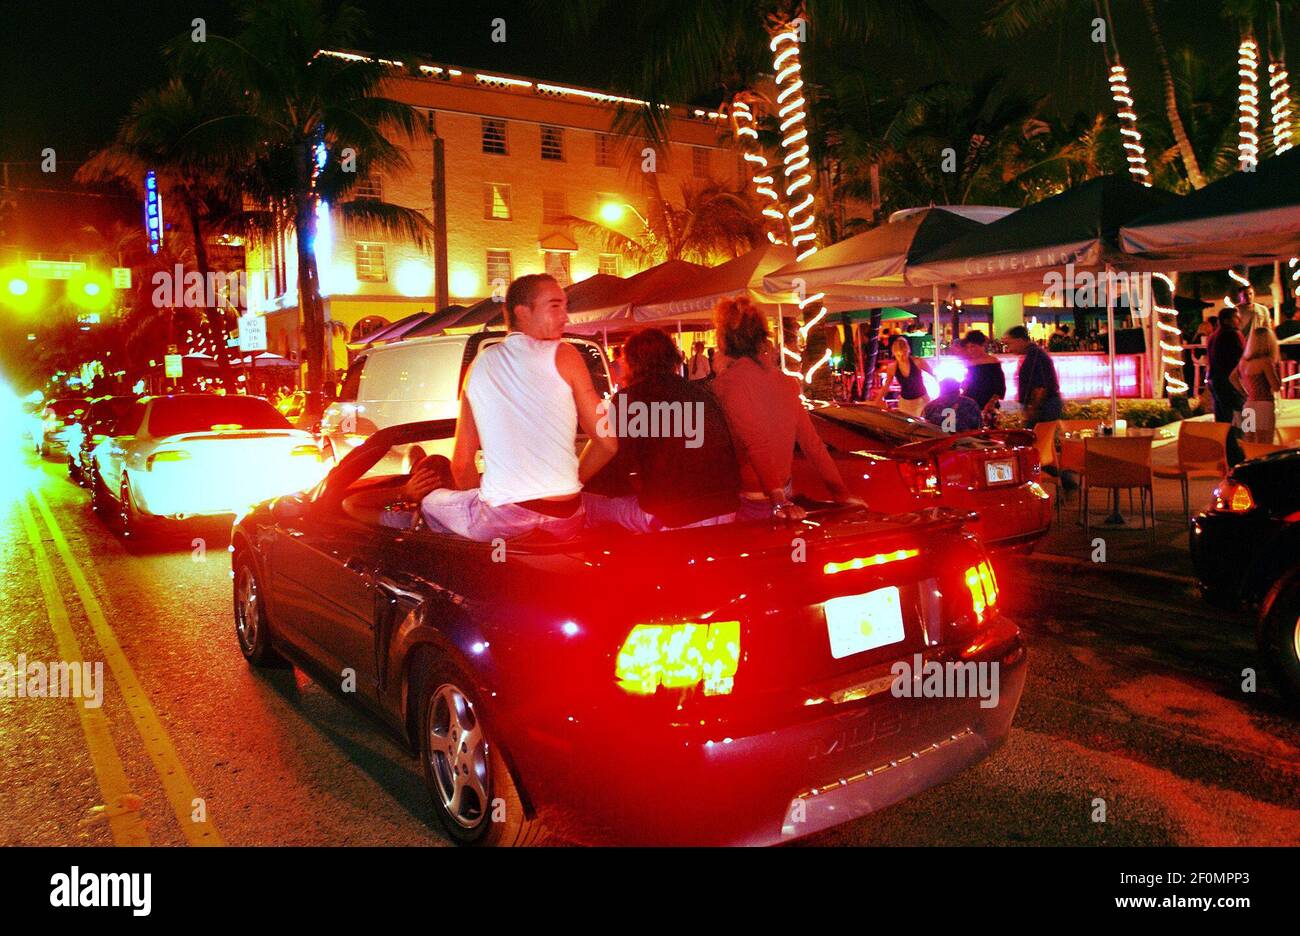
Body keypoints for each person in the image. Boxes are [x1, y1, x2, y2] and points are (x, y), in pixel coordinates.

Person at [368, 274, 617, 540]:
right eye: (555, 306)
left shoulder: (478, 367)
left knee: (430, 501)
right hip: (567, 518)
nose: (565, 317)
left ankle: (397, 527)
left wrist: (484, 503)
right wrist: (567, 482)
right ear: (523, 312)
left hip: (502, 522)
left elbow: (462, 467)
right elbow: (607, 443)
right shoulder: (567, 356)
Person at [710, 296, 862, 522]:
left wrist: (778, 501)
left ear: (724, 340)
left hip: (752, 499)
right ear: (761, 337)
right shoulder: (786, 382)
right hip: (780, 491)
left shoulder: (728, 383)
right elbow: (812, 444)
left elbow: (755, 443)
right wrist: (841, 493)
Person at [582, 328, 739, 532]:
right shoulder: (701, 394)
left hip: (675, 518)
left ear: (630, 363)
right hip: (726, 511)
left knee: (586, 503)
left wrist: (578, 481)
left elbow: (610, 462)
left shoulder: (631, 399)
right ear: (673, 358)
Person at [1003, 325, 1062, 429]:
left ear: (1020, 340)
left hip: (1044, 407)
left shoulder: (1035, 356)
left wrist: (1032, 409)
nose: (1009, 349)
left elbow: (1041, 387)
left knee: (1040, 439)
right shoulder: (1034, 354)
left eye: (1009, 344)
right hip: (1044, 406)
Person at [1231, 327, 1282, 444]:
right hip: (1264, 405)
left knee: (1249, 442)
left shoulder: (1243, 361)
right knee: (1264, 443)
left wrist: (1244, 392)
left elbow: (1232, 378)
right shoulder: (1265, 362)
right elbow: (1276, 386)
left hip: (1249, 405)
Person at [875, 336, 934, 417]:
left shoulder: (918, 362)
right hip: (905, 403)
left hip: (922, 400)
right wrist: (877, 401)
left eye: (904, 354)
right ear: (894, 354)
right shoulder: (892, 367)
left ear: (908, 351)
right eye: (898, 355)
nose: (901, 358)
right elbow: (886, 386)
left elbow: (934, 375)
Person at [1206, 307, 1246, 425]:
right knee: (1244, 412)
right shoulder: (1233, 334)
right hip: (1230, 380)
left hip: (1215, 379)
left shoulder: (1213, 336)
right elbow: (1242, 356)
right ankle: (1246, 441)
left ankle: (1224, 441)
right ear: (1226, 320)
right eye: (1236, 318)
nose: (1239, 320)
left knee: (1222, 417)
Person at [958, 330, 1006, 426]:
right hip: (970, 401)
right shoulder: (967, 363)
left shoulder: (992, 362)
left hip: (988, 401)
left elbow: (999, 386)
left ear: (982, 345)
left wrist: (991, 402)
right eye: (968, 347)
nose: (970, 350)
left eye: (973, 346)